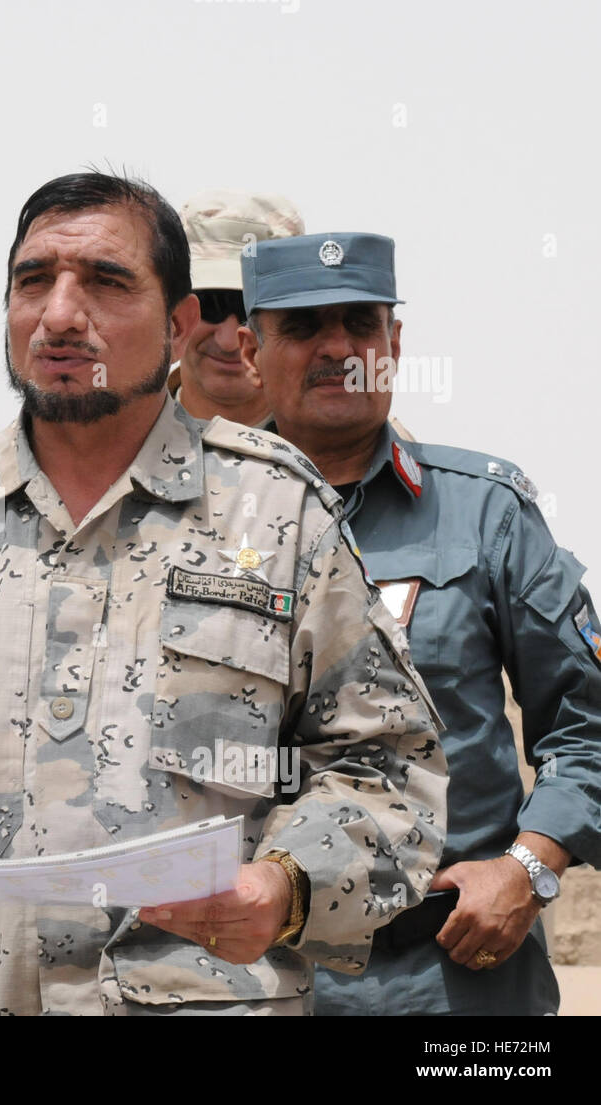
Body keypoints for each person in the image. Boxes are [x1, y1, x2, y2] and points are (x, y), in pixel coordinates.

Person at [0, 171, 448, 1016]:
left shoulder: (276, 511)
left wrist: (284, 885)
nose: (59, 313)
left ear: (179, 324)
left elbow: (390, 762)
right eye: (33, 281)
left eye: (105, 281)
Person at [238, 231, 601, 1015]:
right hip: (254, 982)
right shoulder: (197, 524)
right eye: (303, 327)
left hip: (457, 979)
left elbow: (588, 721)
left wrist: (530, 868)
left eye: (361, 324)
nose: (339, 348)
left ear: (394, 342)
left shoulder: (486, 513)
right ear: (250, 349)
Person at [168, 190, 303, 428]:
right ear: (172, 311)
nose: (229, 342)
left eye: (249, 311)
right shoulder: (110, 439)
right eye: (209, 306)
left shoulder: (352, 451)